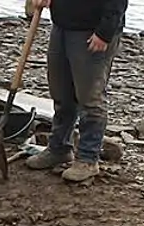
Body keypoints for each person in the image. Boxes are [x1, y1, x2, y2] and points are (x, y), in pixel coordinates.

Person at [24, 0, 127, 182]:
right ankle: (59, 148)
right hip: (62, 25)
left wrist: (105, 32)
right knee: (61, 93)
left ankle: (88, 159)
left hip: (91, 31)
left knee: (90, 98)